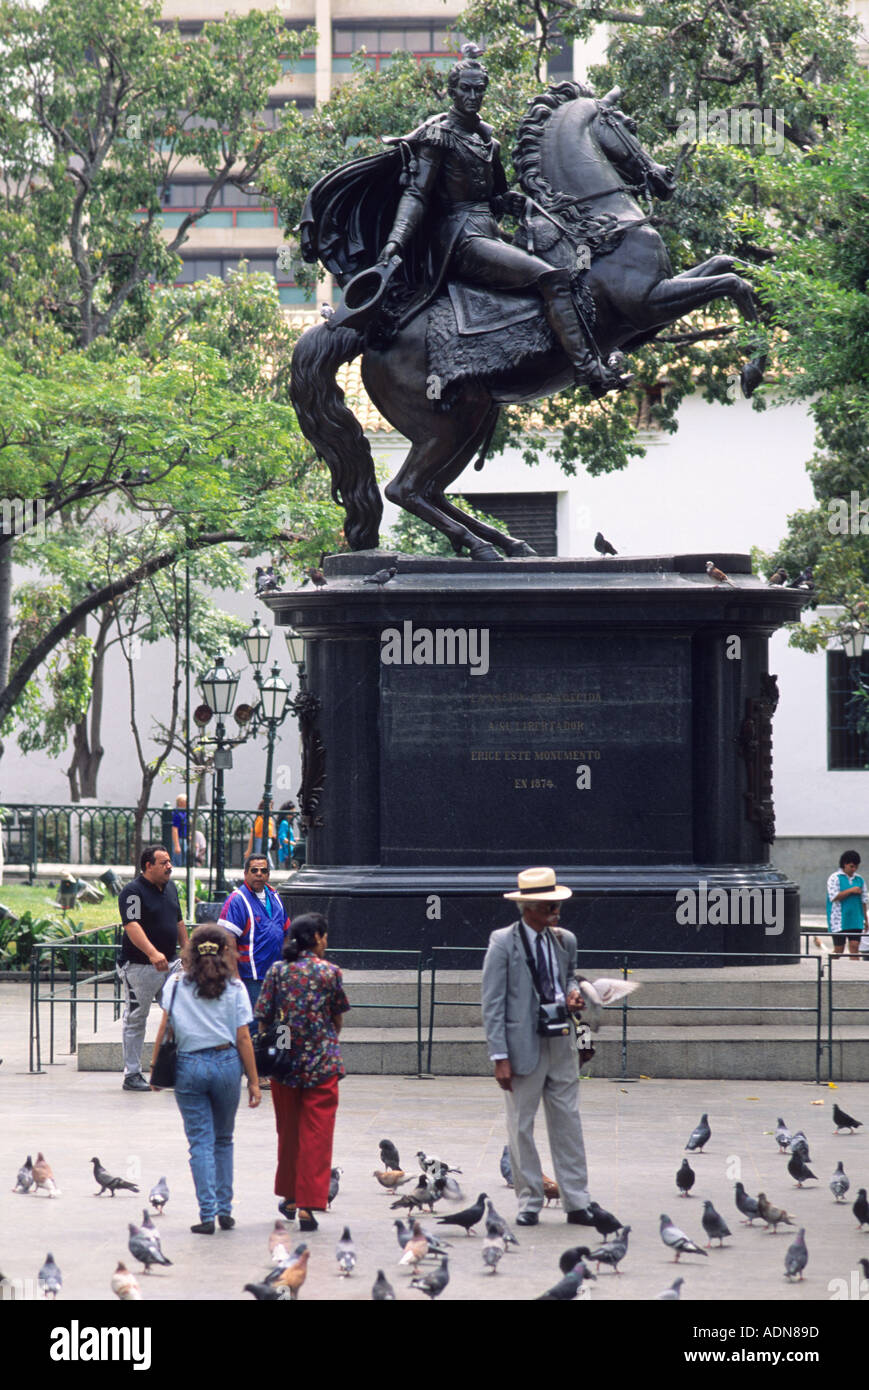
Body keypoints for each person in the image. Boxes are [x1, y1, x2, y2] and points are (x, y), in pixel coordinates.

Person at [305, 46, 627, 397]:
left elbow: (495, 198)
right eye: (465, 89)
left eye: (478, 90)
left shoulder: (488, 140)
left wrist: (514, 202)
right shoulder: (438, 136)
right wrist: (395, 243)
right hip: (460, 240)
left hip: (490, 232)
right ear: (452, 91)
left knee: (569, 263)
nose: (473, 96)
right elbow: (417, 196)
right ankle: (587, 369)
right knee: (551, 277)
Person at [481, 866, 594, 1227]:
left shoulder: (565, 939)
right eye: (549, 907)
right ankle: (529, 1200)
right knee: (521, 1126)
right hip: (521, 1048)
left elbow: (568, 978)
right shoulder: (503, 942)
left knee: (568, 1123)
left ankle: (577, 1201)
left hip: (561, 1042)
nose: (556, 913)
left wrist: (576, 994)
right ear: (529, 907)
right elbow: (492, 1002)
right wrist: (499, 1056)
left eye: (556, 906)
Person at [151, 924, 261, 1233]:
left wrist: (155, 1067)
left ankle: (206, 1214)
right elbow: (243, 1038)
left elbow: (165, 1027)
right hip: (227, 1063)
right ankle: (226, 1210)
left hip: (189, 1065)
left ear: (189, 952)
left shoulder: (175, 985)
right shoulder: (236, 988)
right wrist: (253, 1081)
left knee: (200, 1142)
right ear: (225, 951)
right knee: (223, 1140)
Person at [254, 913, 350, 1232]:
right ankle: (309, 1203)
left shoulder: (278, 971)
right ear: (318, 938)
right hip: (322, 1062)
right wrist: (324, 1040)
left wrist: (282, 1041)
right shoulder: (330, 972)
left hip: (285, 1061)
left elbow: (264, 1017)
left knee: (289, 1133)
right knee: (317, 1134)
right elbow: (336, 1018)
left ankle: (292, 1196)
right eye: (325, 936)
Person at [117, 845, 188, 1092]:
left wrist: (186, 951)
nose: (170, 866)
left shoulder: (171, 888)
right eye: (164, 862)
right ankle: (132, 1074)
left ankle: (172, 1069)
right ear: (148, 866)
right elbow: (132, 925)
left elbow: (179, 922)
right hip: (139, 967)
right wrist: (152, 953)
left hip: (172, 964)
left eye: (169, 862)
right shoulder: (133, 892)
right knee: (137, 1018)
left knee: (181, 1012)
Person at [218, 855, 290, 1013]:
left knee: (279, 1023)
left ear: (268, 875)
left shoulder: (275, 897)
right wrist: (234, 976)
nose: (259, 874)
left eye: (263, 870)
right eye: (254, 870)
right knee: (254, 1024)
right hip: (250, 977)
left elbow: (286, 933)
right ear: (245, 874)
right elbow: (227, 942)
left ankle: (280, 1040)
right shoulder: (237, 900)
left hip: (276, 975)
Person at [826, 849, 869, 958]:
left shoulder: (859, 880)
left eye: (856, 867)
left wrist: (865, 919)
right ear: (844, 864)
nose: (853, 869)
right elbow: (834, 897)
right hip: (839, 919)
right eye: (851, 866)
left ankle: (854, 972)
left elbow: (864, 901)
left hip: (856, 919)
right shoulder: (834, 878)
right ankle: (829, 966)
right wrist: (851, 891)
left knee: (855, 946)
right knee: (839, 950)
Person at [245, 799, 276, 866]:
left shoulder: (269, 818)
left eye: (271, 807)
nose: (270, 809)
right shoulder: (261, 819)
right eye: (269, 807)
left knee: (263, 857)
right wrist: (249, 849)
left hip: (267, 840)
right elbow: (253, 833)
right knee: (259, 858)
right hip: (260, 840)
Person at [276, 802, 296, 869]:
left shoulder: (288, 823)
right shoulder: (284, 823)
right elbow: (282, 838)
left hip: (291, 851)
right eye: (291, 812)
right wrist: (293, 843)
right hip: (288, 852)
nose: (293, 814)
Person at [171, 794, 187, 868]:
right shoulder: (177, 814)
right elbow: (174, 829)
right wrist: (177, 845)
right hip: (179, 839)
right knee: (178, 860)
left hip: (184, 838)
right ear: (181, 802)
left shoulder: (184, 812)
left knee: (184, 859)